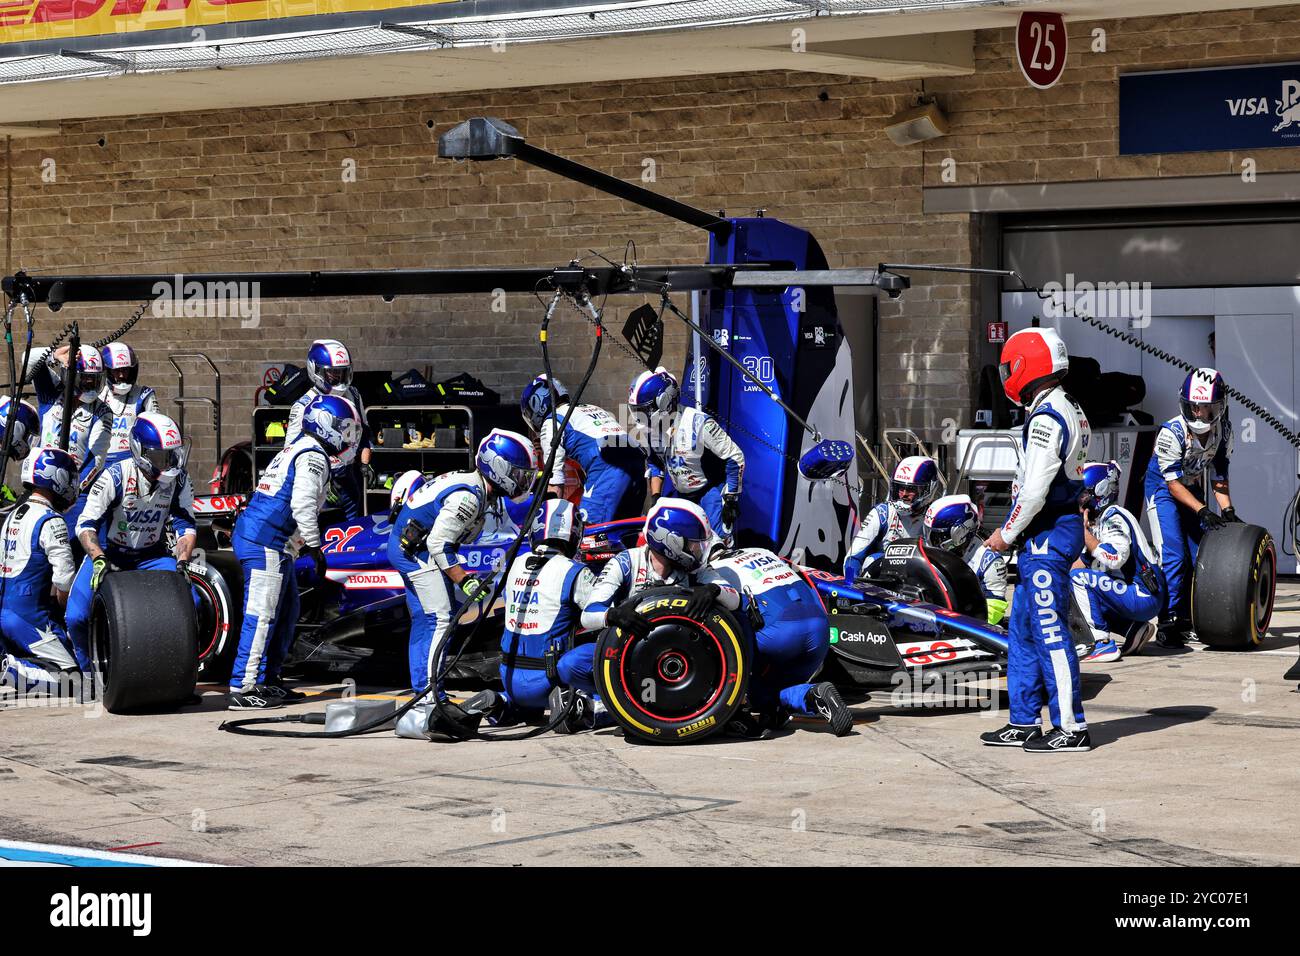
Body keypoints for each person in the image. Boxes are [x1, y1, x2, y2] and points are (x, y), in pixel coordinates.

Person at [981, 327, 1092, 753]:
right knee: (1023, 628)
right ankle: (1024, 721)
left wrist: (1005, 534)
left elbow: (1034, 490)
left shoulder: (1047, 416)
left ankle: (1072, 727)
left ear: (1025, 366)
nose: (1007, 374)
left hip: (1048, 532)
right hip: (1045, 531)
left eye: (1010, 366)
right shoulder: (1064, 405)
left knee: (1049, 630)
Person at [229, 394, 361, 709]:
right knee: (261, 615)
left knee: (287, 613)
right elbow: (302, 505)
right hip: (265, 541)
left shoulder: (302, 447)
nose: (347, 436)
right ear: (326, 426)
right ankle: (243, 685)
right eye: (343, 428)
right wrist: (315, 549)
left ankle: (270, 680)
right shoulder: (313, 455)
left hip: (275, 541)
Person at [388, 428, 535, 692]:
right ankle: (429, 694)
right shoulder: (468, 496)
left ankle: (422, 688)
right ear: (498, 467)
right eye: (518, 474)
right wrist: (464, 580)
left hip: (411, 546)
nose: (523, 480)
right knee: (440, 619)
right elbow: (438, 544)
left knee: (425, 619)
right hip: (416, 551)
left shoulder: (477, 488)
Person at [66, 413, 197, 671]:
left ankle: (178, 672)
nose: (169, 463)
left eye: (172, 455)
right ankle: (88, 675)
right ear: (139, 451)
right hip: (109, 556)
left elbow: (186, 525)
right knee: (76, 617)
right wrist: (98, 557)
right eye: (161, 457)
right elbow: (85, 524)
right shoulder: (113, 477)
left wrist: (182, 563)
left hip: (152, 556)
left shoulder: (180, 480)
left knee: (192, 603)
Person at [462, 499, 607, 732]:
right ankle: (587, 707)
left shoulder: (515, 564)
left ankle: (501, 703)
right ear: (573, 533)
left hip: (509, 676)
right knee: (607, 647)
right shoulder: (574, 570)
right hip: (549, 679)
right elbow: (599, 614)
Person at [575, 498, 741, 689]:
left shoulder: (696, 570)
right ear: (672, 540)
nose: (697, 551)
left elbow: (734, 598)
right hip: (630, 652)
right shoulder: (626, 562)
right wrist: (613, 615)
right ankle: (603, 701)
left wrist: (713, 590)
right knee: (571, 664)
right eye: (694, 545)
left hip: (684, 651)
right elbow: (587, 615)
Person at [706, 539, 853, 737]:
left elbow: (735, 605)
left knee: (754, 694)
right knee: (784, 690)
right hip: (820, 628)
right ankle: (805, 696)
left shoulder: (714, 569)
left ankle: (806, 696)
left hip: (780, 633)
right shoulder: (761, 550)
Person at [1143, 368, 1235, 647]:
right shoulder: (1171, 432)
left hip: (1190, 487)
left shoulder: (1224, 431)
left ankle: (1190, 615)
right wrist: (1202, 510)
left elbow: (1220, 476)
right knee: (1174, 555)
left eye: (1207, 407)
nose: (1199, 413)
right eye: (1194, 406)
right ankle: (1168, 617)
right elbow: (1171, 486)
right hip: (1163, 488)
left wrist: (1227, 510)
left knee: (1200, 555)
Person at [0, 447, 79, 694]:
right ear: (56, 478)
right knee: (77, 682)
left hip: (5, 610)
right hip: (29, 617)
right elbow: (65, 581)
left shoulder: (13, 514)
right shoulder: (51, 520)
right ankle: (9, 669)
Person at [628, 367, 744, 533]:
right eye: (636, 410)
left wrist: (731, 498)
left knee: (718, 545)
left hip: (711, 493)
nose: (639, 416)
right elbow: (655, 463)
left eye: (643, 410)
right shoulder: (650, 430)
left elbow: (735, 456)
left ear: (664, 401)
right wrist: (655, 498)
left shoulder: (700, 423)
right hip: (683, 495)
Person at [520, 374, 646, 524]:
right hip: (638, 460)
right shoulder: (591, 408)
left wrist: (549, 522)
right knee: (627, 531)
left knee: (588, 535)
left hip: (607, 465)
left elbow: (555, 483)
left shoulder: (552, 423)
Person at [1072, 461, 1164, 663]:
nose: (1080, 501)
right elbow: (1082, 563)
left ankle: (1100, 644)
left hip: (1143, 594)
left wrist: (1082, 531)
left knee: (1079, 580)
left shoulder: (1114, 518)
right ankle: (1133, 628)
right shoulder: (1100, 521)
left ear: (1100, 491)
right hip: (1139, 594)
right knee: (1073, 587)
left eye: (1084, 494)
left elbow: (1114, 558)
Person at [284, 339, 372, 521]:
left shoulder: (354, 395)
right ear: (315, 370)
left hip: (348, 477)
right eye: (332, 373)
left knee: (352, 529)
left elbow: (363, 431)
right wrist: (325, 472)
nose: (338, 378)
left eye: (342, 372)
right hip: (319, 479)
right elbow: (290, 453)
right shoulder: (302, 406)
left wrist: (365, 464)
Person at [35, 346, 112, 535]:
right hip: (41, 484)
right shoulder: (51, 393)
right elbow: (28, 360)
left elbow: (96, 459)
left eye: (94, 379)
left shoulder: (103, 411)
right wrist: (53, 355)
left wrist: (71, 490)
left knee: (68, 545)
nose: (89, 382)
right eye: (84, 377)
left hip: (74, 492)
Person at [843, 455, 940, 582]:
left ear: (929, 490)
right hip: (883, 586)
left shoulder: (937, 516)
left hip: (922, 584)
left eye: (911, 489)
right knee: (872, 559)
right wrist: (852, 586)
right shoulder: (882, 513)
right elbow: (853, 558)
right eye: (900, 488)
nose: (903, 494)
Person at [921, 493, 1009, 625]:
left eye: (937, 536)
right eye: (928, 533)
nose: (930, 541)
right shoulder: (926, 551)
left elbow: (994, 611)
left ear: (959, 533)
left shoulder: (989, 561)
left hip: (969, 629)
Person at [100, 344, 161, 466]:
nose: (121, 375)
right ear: (107, 371)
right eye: (117, 371)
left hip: (130, 461)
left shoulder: (144, 395)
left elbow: (155, 432)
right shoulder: (97, 394)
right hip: (100, 460)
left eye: (125, 370)